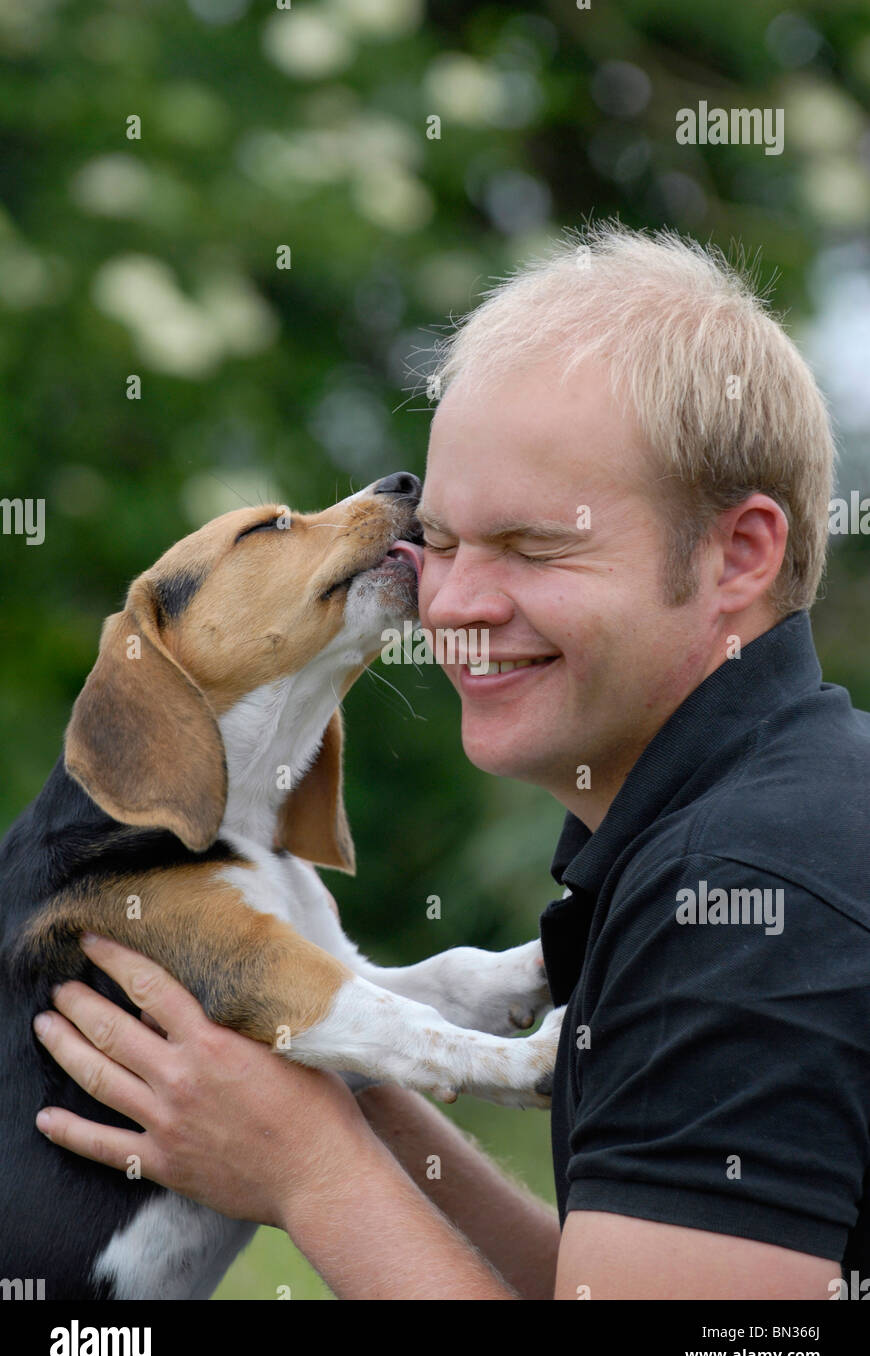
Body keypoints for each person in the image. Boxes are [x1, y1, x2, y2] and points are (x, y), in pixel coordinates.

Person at [31, 226, 870, 1300]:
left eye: (532, 546)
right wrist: (349, 1081)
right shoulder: (749, 825)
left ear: (737, 555)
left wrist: (313, 1172)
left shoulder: (748, 896)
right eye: (444, 541)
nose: (456, 602)